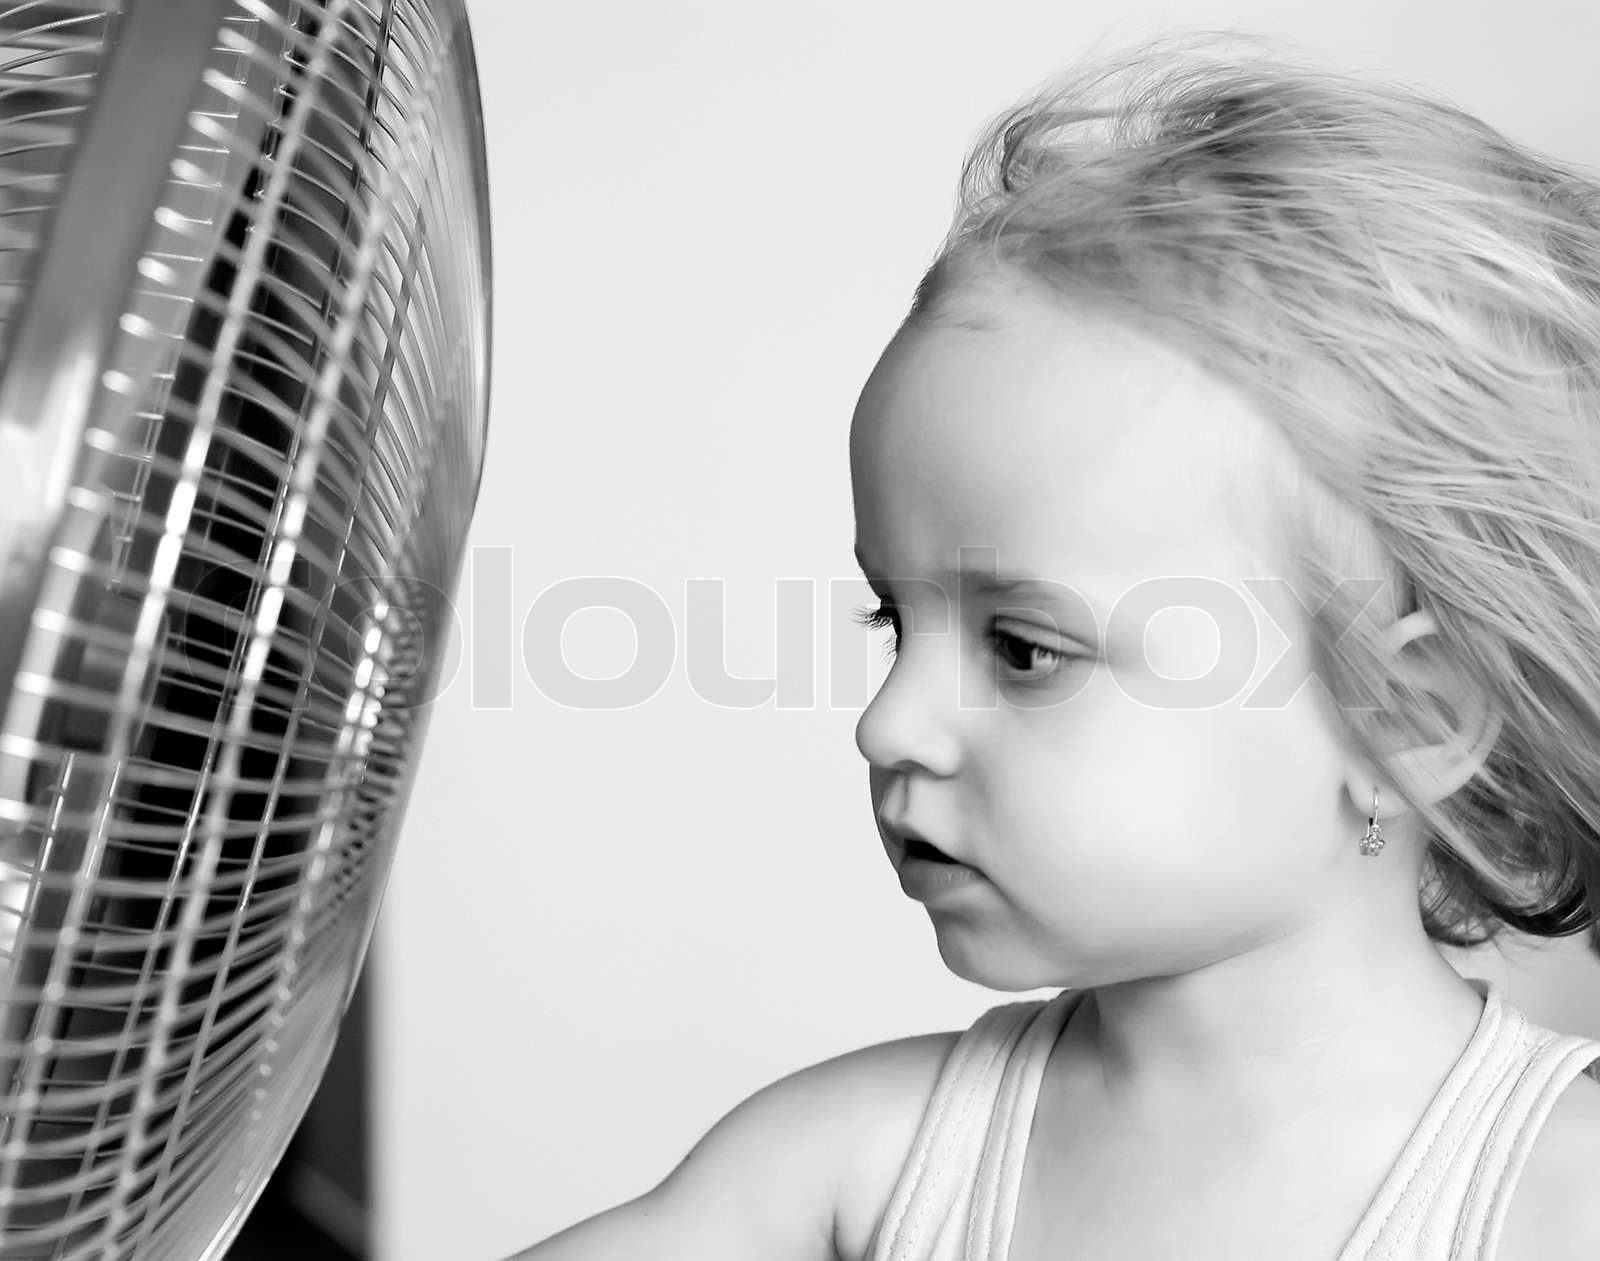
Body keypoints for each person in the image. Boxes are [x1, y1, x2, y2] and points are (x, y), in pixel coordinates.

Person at [509, 32, 1600, 1259]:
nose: (886, 723)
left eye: (1024, 648)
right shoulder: (846, 1168)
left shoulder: (1562, 1202)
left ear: (1405, 718)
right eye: (893, 621)